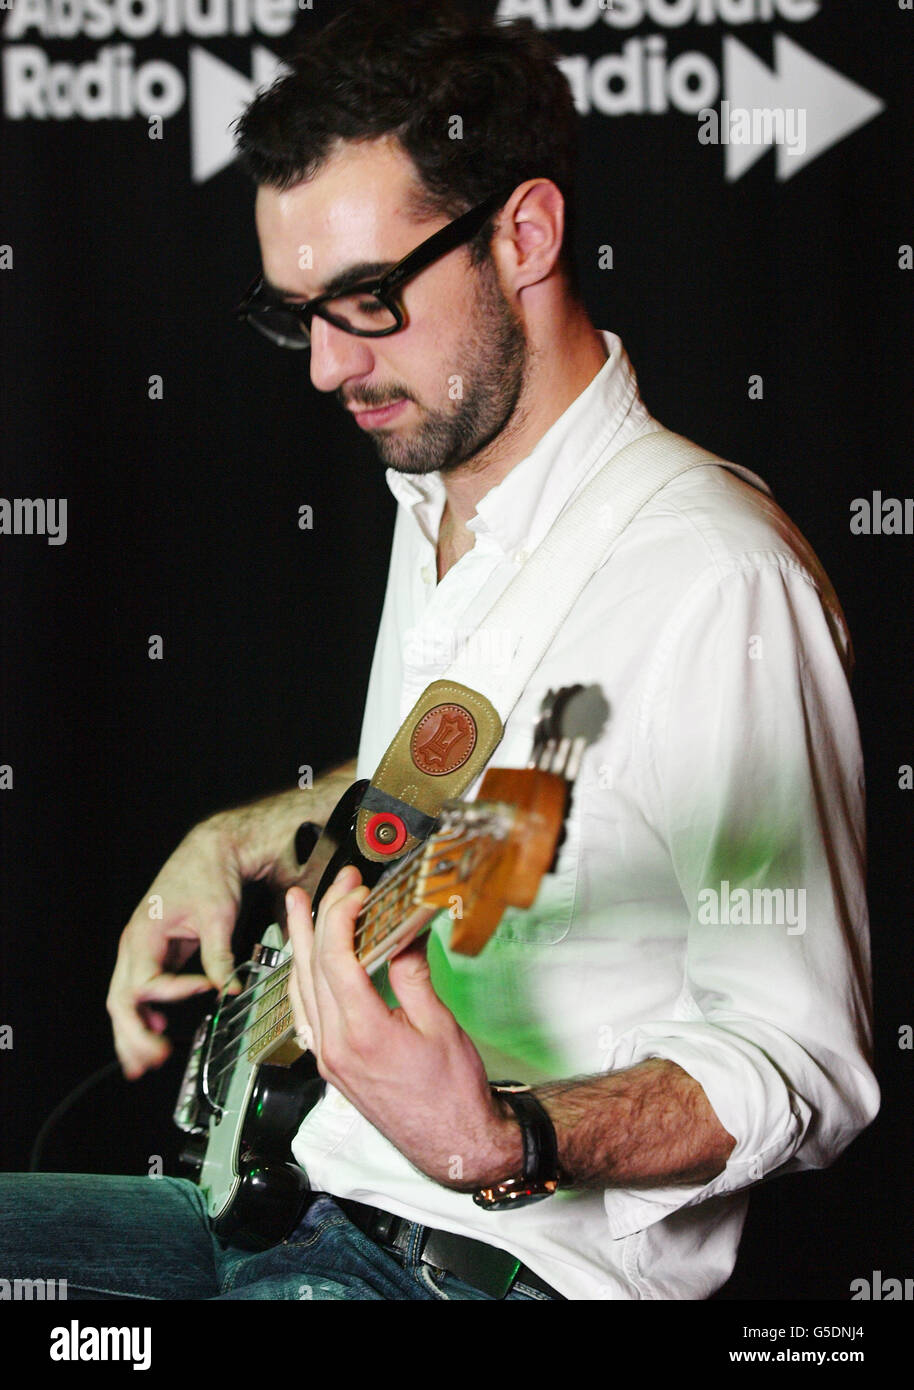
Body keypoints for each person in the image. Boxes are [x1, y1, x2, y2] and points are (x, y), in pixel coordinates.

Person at [1, 2, 878, 1301]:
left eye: (364, 300)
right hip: (295, 1200)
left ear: (523, 235)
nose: (323, 366)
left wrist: (495, 1136)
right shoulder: (436, 492)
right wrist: (232, 839)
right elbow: (454, 792)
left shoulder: (718, 578)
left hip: (490, 1263)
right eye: (295, 311)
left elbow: (804, 1061)